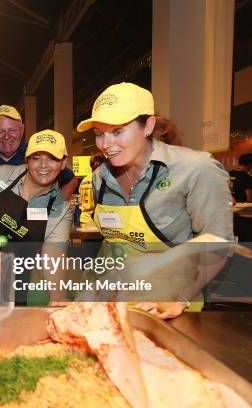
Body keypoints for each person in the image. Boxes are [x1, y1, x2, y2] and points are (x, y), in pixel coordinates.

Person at [76, 82, 234, 318]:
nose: (106, 144)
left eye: (117, 131)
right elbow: (112, 246)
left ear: (148, 125)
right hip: (108, 304)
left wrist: (180, 300)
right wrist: (84, 294)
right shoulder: (100, 177)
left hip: (168, 309)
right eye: (100, 134)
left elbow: (218, 245)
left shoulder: (195, 169)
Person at [0, 129, 73, 304]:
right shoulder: (0, 175)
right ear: (27, 160)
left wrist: (57, 297)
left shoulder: (60, 209)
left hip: (13, 286)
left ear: (63, 163)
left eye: (52, 158)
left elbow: (54, 255)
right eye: (36, 158)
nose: (43, 165)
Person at [0, 105, 78, 199]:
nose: (6, 136)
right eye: (0, 131)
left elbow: (71, 180)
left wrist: (56, 206)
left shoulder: (35, 153)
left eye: (12, 130)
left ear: (22, 130)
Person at [78, 152, 105, 224]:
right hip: (98, 220)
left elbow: (80, 200)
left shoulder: (84, 180)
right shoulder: (102, 181)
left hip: (83, 219)